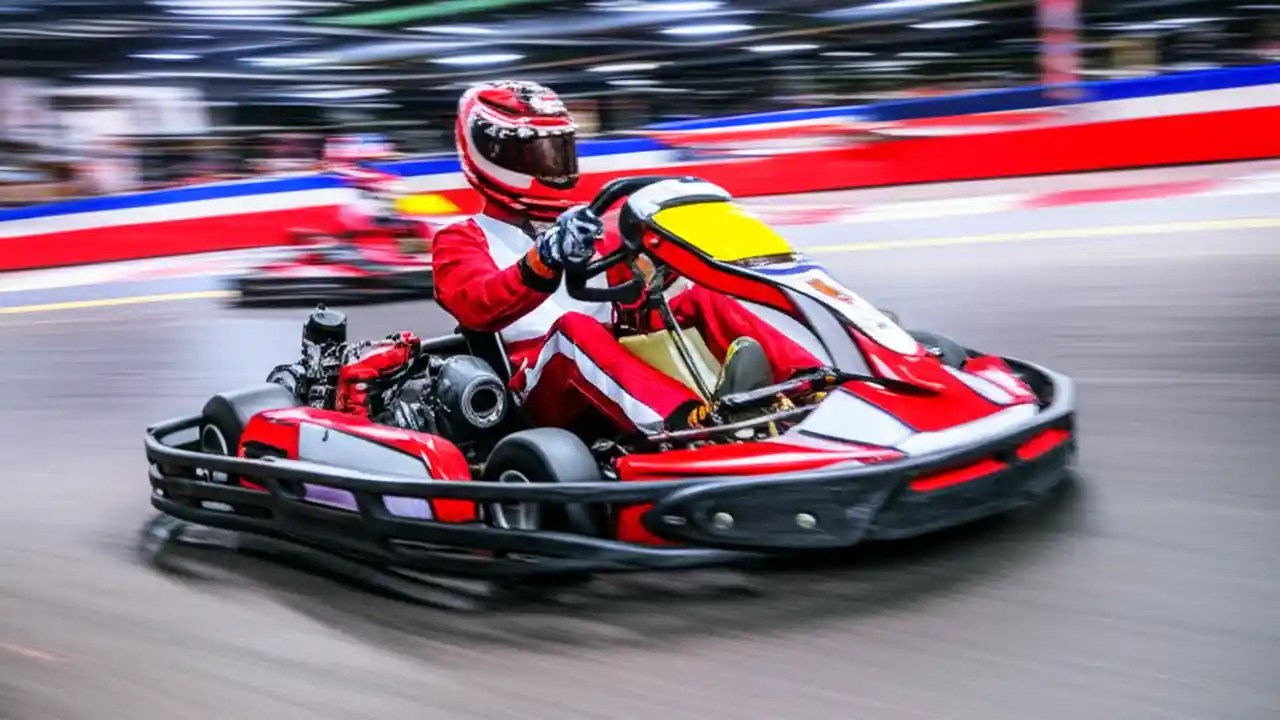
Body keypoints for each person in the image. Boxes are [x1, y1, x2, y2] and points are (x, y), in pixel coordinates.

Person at [428, 80, 822, 435]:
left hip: (611, 363)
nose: (556, 165)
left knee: (701, 298)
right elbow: (476, 304)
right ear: (496, 154)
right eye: (541, 153)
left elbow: (632, 300)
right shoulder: (462, 237)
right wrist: (544, 258)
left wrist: (660, 264)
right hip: (534, 386)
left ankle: (809, 383)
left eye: (560, 150)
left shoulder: (583, 224)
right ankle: (687, 422)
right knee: (574, 329)